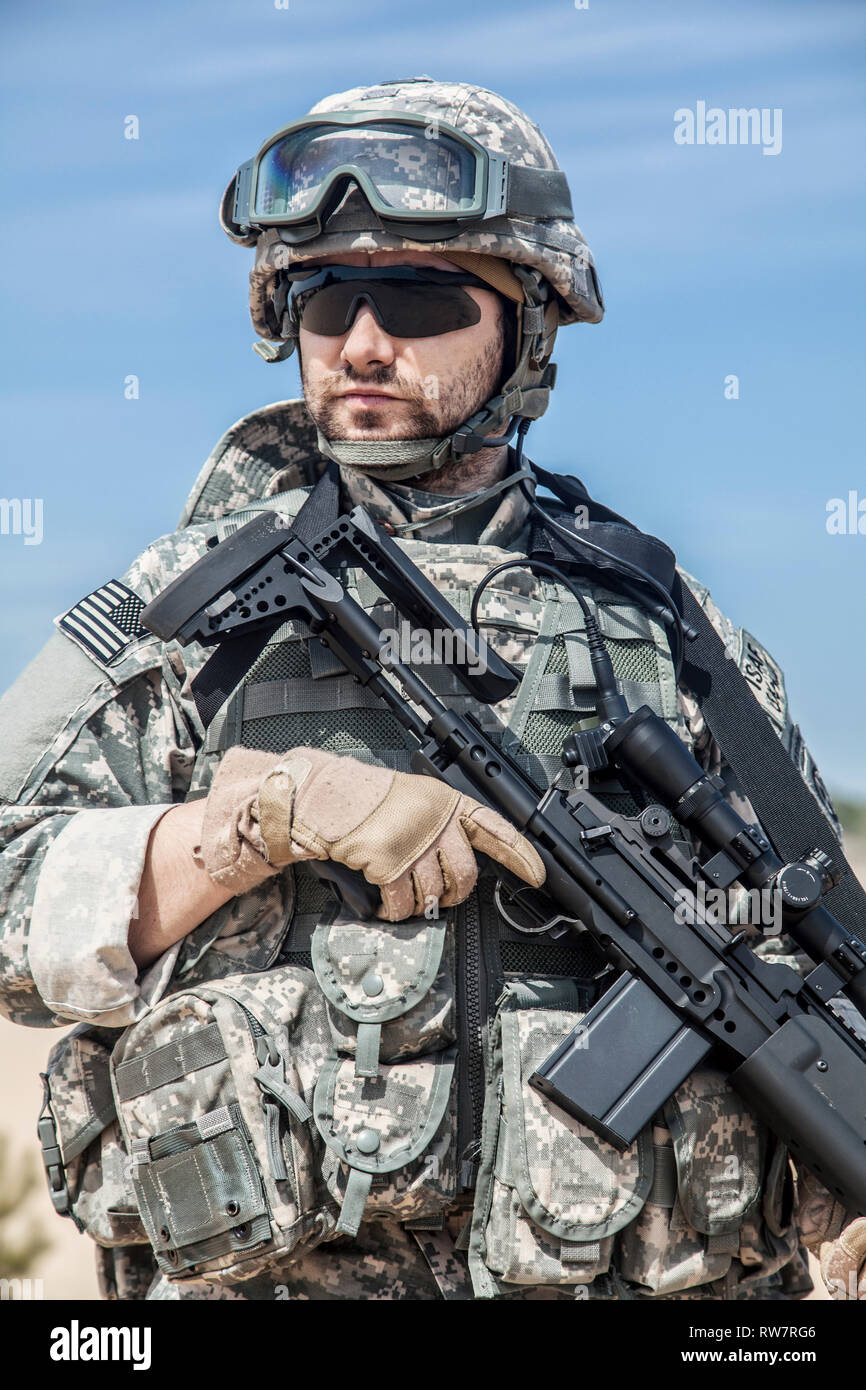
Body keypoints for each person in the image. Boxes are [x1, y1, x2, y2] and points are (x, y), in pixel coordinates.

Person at [0, 77, 863, 1303]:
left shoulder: (670, 633)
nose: (358, 341)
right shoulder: (187, 614)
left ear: (532, 322)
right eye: (323, 297)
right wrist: (255, 822)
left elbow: (814, 947)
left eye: (412, 296)